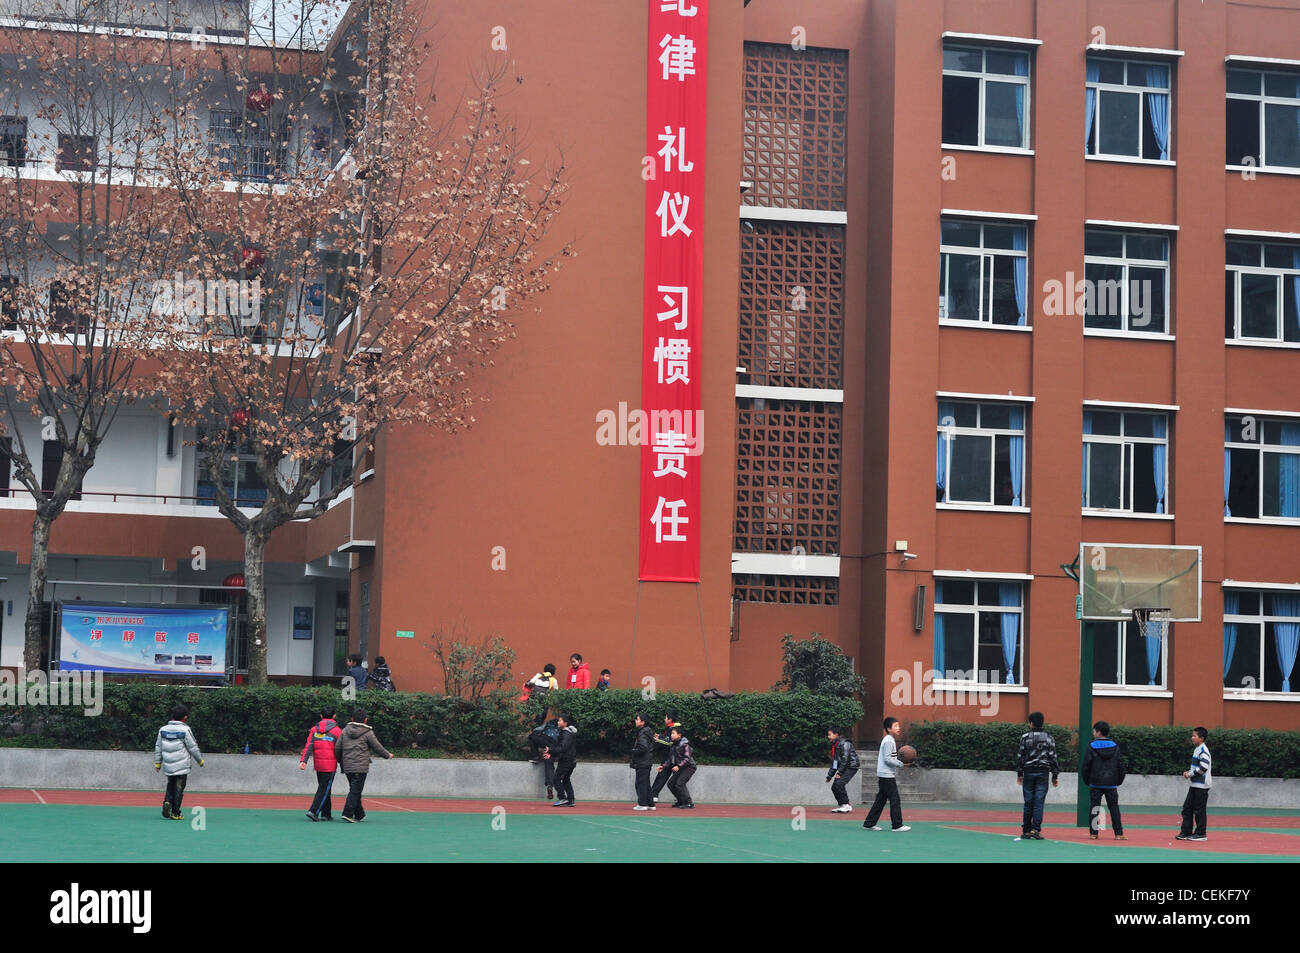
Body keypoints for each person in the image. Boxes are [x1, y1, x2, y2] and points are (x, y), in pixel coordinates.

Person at [334, 708, 393, 822]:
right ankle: (348, 813)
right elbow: (377, 746)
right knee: (355, 790)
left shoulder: (345, 731)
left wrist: (340, 760)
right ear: (365, 720)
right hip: (360, 766)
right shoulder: (368, 732)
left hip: (347, 765)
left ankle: (359, 814)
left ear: (352, 719)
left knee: (355, 789)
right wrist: (387, 755)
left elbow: (337, 747)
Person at [154, 703, 203, 820]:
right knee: (179, 788)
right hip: (182, 765)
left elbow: (158, 747)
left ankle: (167, 802)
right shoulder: (185, 730)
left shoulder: (163, 730)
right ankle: (176, 813)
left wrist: (157, 762)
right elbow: (193, 747)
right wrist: (199, 760)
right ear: (185, 717)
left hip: (168, 764)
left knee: (170, 785)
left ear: (172, 716)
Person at [1015, 711, 1060, 840]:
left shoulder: (1025, 737)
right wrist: (1055, 775)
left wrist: (1019, 773)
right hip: (1043, 772)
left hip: (1028, 771)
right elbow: (1053, 756)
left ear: (1031, 723)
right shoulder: (1049, 737)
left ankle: (1026, 830)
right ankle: (1036, 829)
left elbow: (1020, 756)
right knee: (1039, 801)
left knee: (1028, 801)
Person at [862, 717, 911, 832]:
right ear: (889, 729)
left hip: (884, 774)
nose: (898, 728)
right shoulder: (889, 741)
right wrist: (900, 764)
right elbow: (888, 759)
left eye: (898, 726)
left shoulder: (888, 739)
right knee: (895, 799)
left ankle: (869, 823)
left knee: (881, 800)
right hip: (887, 775)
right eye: (895, 726)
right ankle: (897, 825)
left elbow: (889, 758)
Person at [1081, 720, 1126, 840]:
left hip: (1095, 782)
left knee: (1095, 807)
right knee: (1114, 807)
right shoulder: (1115, 747)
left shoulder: (1091, 746)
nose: (1093, 732)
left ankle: (1094, 833)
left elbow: (1086, 766)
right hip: (1111, 783)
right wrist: (1119, 780)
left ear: (1098, 732)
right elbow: (1121, 765)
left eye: (1094, 731)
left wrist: (1087, 781)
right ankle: (1118, 833)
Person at [299, 706, 342, 821]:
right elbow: (340, 748)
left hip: (318, 764)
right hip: (330, 765)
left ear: (321, 716)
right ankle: (313, 811)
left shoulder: (314, 729)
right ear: (334, 716)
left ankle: (326, 814)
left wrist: (304, 760)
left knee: (325, 788)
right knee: (324, 789)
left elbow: (309, 746)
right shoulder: (337, 731)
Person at [1177, 727, 1212, 842]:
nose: (1192, 738)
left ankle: (1201, 833)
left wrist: (1190, 774)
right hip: (1195, 785)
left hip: (1202, 786)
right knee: (1187, 808)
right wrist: (1189, 773)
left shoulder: (1203, 750)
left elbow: (1203, 768)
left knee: (1199, 810)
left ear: (1201, 738)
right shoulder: (1197, 749)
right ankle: (1186, 832)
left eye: (1194, 736)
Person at [529, 708, 562, 800]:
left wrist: (553, 751)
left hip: (552, 743)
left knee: (548, 758)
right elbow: (539, 729)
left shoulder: (563, 727)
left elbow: (563, 744)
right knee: (548, 759)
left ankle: (535, 756)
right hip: (548, 741)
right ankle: (550, 786)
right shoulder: (550, 723)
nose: (558, 721)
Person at [547, 712, 578, 807]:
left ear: (565, 723)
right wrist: (551, 753)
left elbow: (562, 748)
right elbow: (562, 749)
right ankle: (571, 799)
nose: (558, 722)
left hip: (566, 761)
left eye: (560, 720)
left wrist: (550, 750)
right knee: (565, 779)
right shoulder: (566, 733)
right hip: (571, 761)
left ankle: (562, 798)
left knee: (556, 779)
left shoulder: (566, 734)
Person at [825, 728, 859, 813]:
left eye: (830, 734)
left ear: (836, 734)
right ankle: (843, 805)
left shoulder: (845, 744)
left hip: (851, 766)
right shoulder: (836, 745)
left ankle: (847, 805)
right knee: (834, 787)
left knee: (839, 783)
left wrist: (839, 772)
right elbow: (836, 762)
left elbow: (845, 759)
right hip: (844, 767)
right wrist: (830, 775)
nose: (828, 737)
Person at [650, 712, 682, 804]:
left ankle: (654, 795)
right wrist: (660, 736)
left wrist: (657, 739)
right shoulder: (672, 728)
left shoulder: (673, 728)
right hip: (671, 757)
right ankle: (679, 797)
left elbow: (669, 742)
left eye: (665, 718)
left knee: (665, 776)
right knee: (674, 778)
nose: (664, 719)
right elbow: (668, 739)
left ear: (670, 719)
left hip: (670, 757)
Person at [664, 726, 697, 808]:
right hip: (680, 767)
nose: (671, 735)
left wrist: (678, 766)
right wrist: (663, 766)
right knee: (671, 784)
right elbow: (670, 759)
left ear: (679, 735)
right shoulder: (673, 745)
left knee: (680, 783)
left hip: (689, 767)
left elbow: (687, 758)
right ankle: (681, 801)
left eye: (673, 733)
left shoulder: (685, 745)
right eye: (671, 733)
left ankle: (689, 803)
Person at [631, 713, 656, 810]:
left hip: (642, 762)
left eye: (637, 719)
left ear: (643, 722)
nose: (635, 721)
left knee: (640, 783)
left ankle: (642, 804)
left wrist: (633, 751)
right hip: (646, 762)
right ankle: (650, 804)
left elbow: (643, 748)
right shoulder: (647, 731)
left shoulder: (643, 733)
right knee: (645, 783)